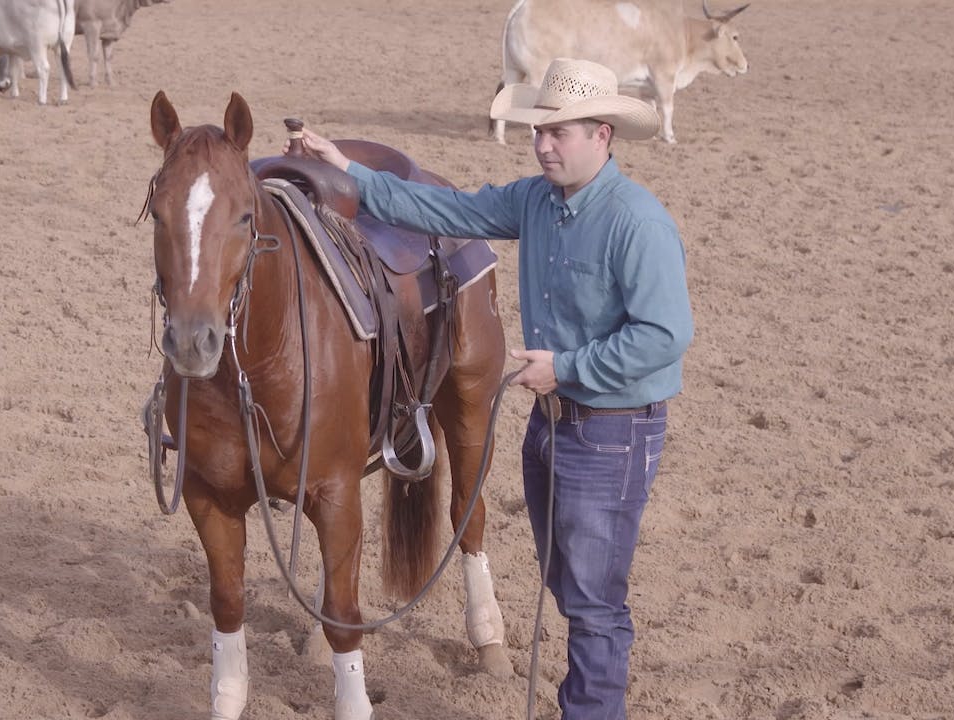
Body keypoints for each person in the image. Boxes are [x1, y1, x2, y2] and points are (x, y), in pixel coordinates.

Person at [296, 57, 694, 720]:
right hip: (551, 423)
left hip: (613, 430)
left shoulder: (637, 223)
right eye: (541, 129)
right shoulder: (536, 201)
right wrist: (347, 171)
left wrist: (567, 368)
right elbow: (442, 207)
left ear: (604, 134)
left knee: (593, 601)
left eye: (561, 132)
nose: (544, 143)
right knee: (567, 585)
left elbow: (664, 337)